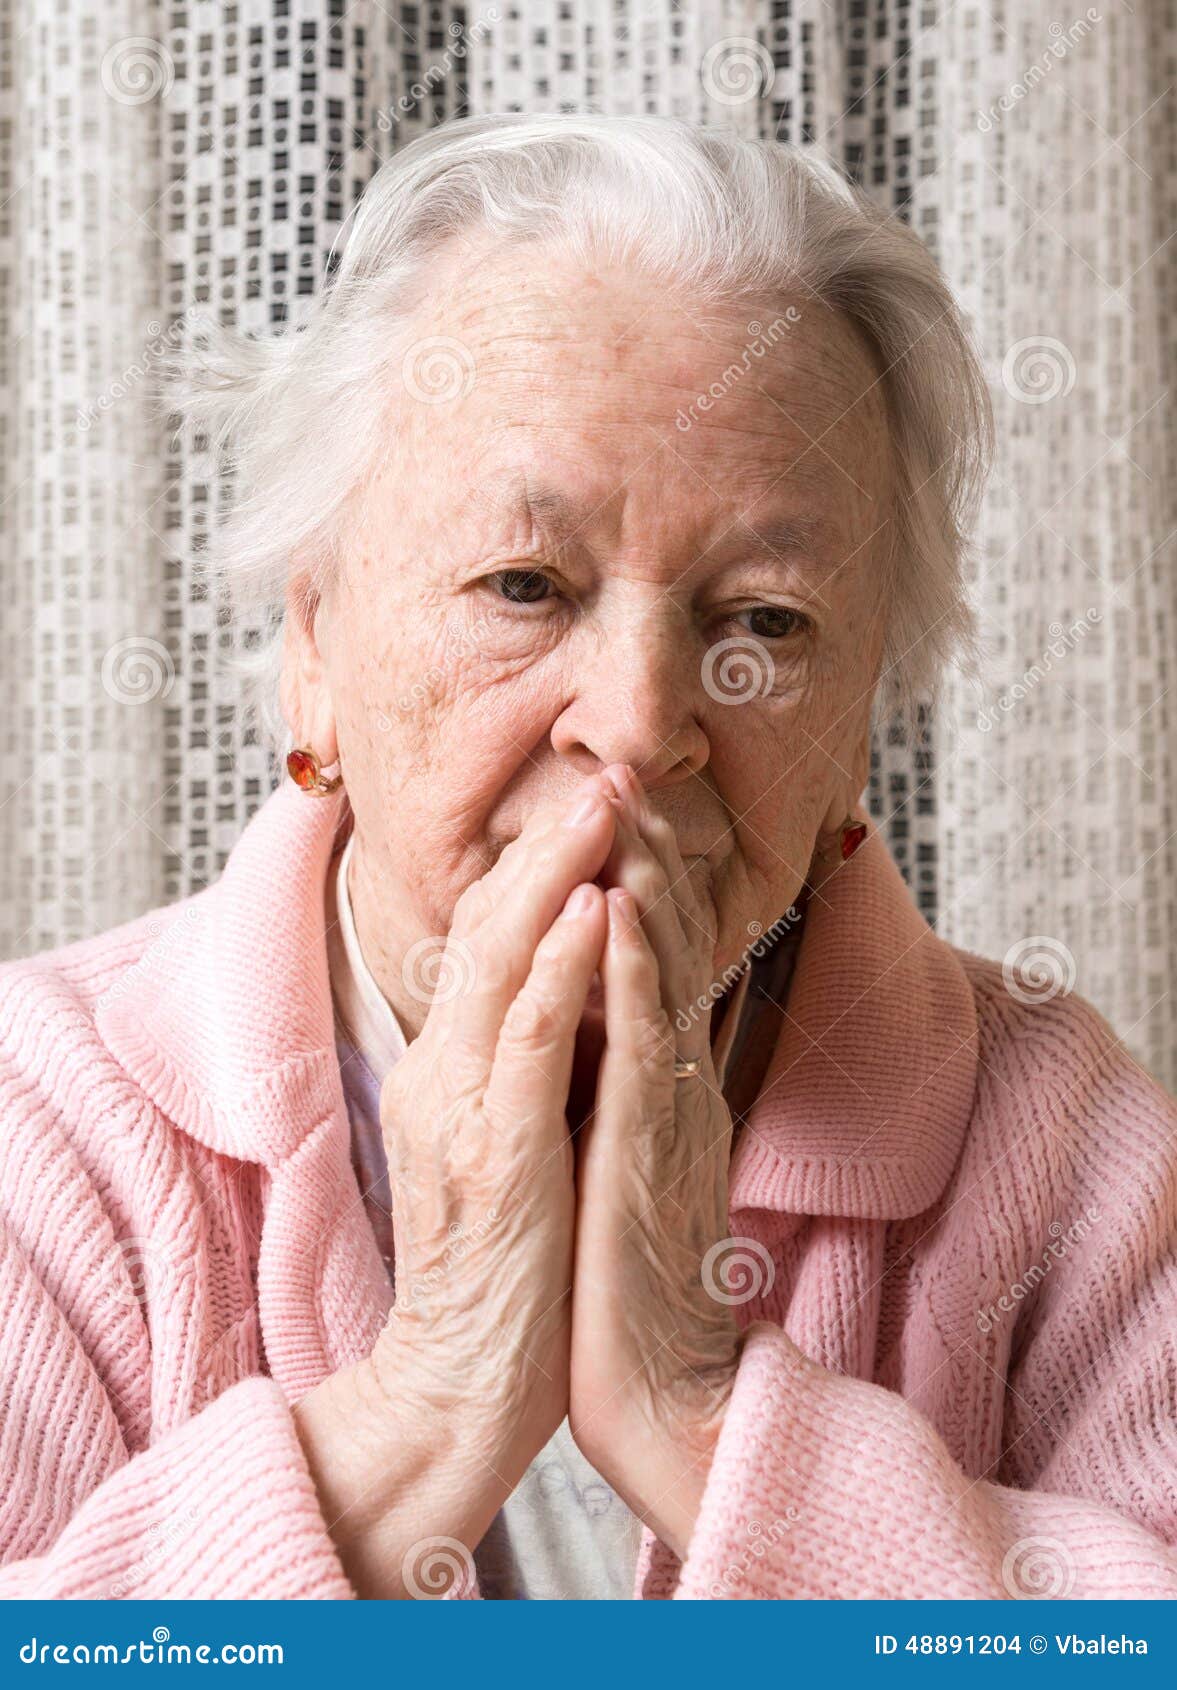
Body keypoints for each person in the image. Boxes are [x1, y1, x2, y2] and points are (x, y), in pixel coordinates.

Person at [2, 113, 1175, 1600]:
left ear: (861, 723)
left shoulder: (1064, 1142)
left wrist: (701, 1412)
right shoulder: (41, 1126)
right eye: (524, 584)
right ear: (314, 645)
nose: (636, 723)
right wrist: (426, 1404)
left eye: (764, 620)